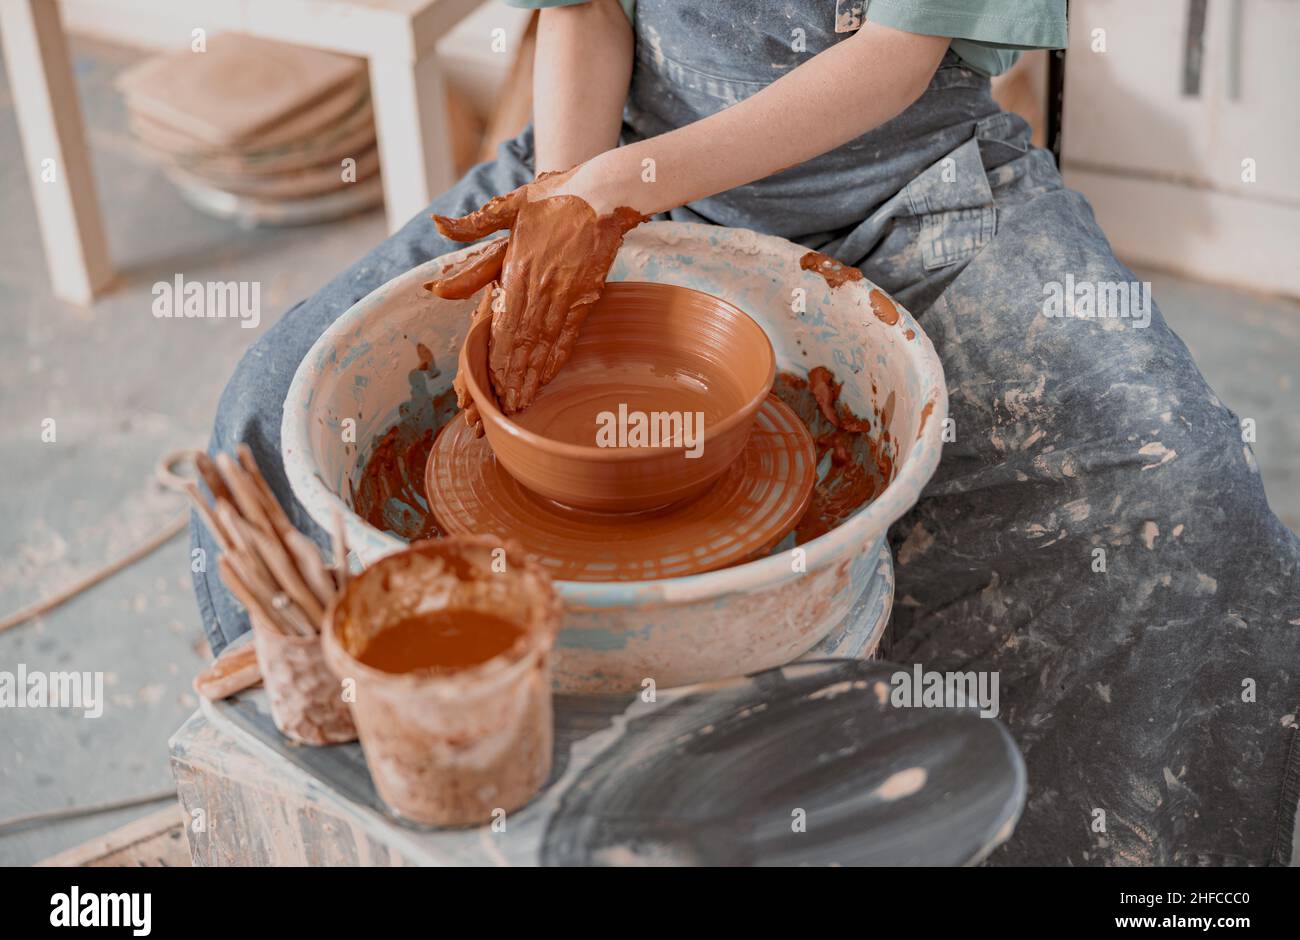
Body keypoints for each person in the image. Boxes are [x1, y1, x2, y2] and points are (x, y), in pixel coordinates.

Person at [192, 0, 1300, 865]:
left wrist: (619, 190)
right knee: (269, 421)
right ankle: (420, 793)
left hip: (911, 186)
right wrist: (568, 200)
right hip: (620, 157)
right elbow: (587, 13)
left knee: (1188, 508)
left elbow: (895, 56)